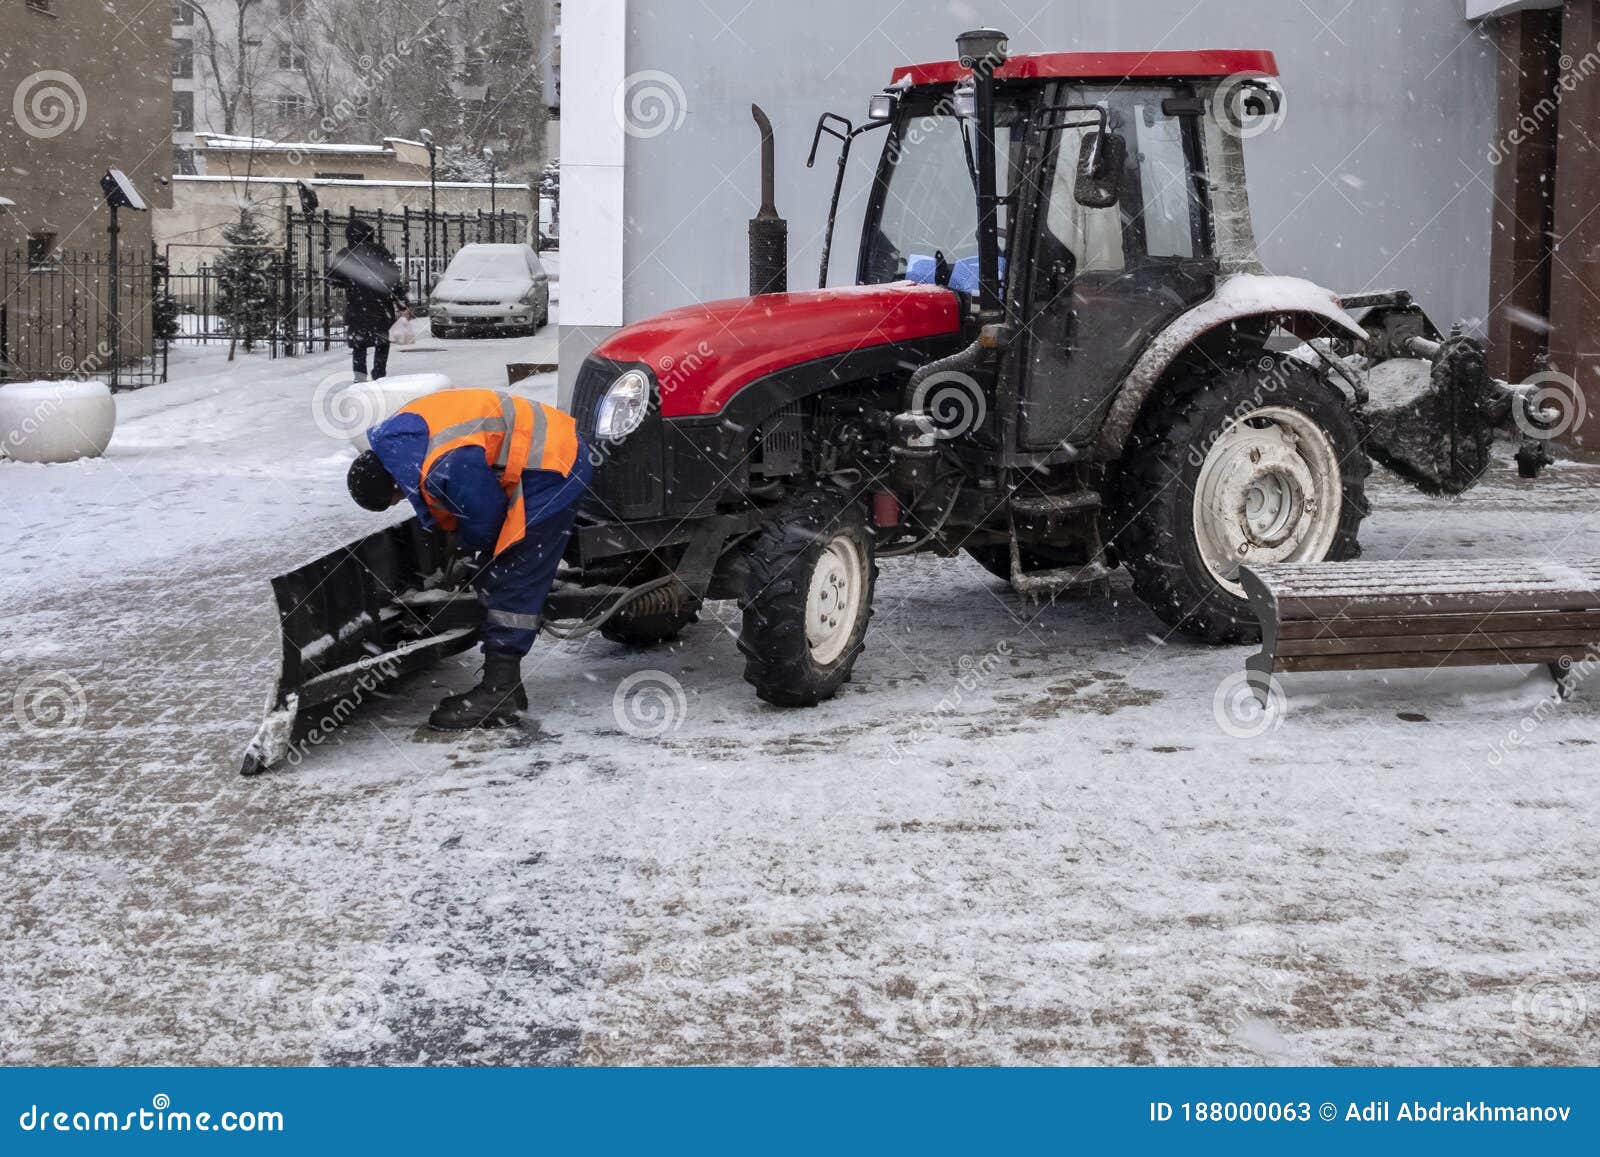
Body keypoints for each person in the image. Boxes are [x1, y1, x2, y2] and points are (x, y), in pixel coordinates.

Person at [346, 388, 593, 729]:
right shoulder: (404, 435)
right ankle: (502, 684)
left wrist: (476, 553)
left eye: (397, 498)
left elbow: (484, 518)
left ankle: (501, 691)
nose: (403, 499)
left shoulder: (441, 463)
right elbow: (455, 491)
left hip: (552, 464)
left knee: (511, 569)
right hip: (546, 445)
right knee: (504, 558)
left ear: (391, 484)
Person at [327, 218, 409, 381]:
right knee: (382, 341)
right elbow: (394, 278)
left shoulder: (344, 254)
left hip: (357, 306)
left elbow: (333, 280)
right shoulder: (380, 252)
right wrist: (401, 301)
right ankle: (379, 373)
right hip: (381, 305)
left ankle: (359, 377)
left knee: (359, 343)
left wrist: (350, 281)